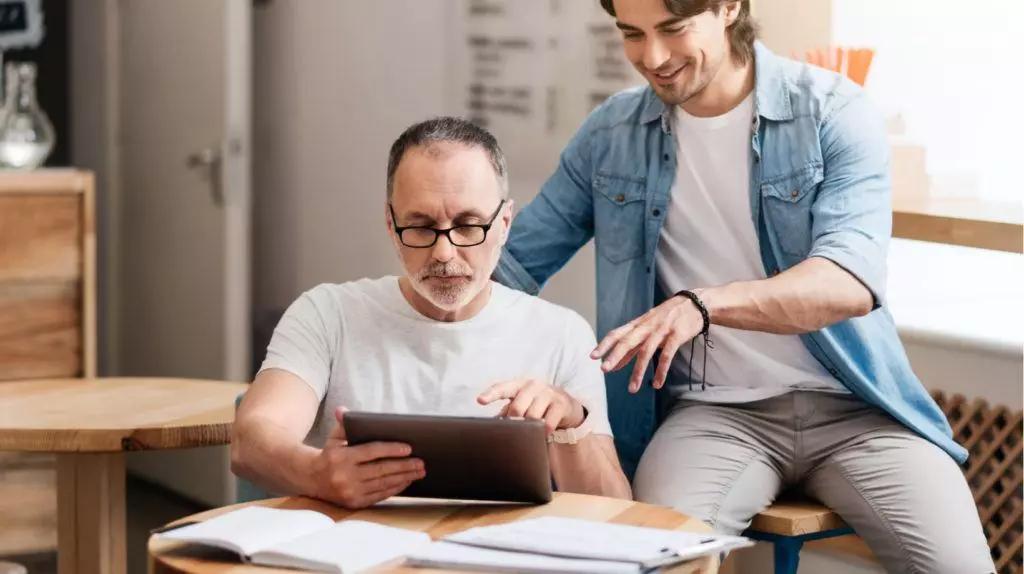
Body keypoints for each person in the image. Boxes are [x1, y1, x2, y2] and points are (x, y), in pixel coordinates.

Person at [492, 0, 993, 571]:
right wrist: (413, 300)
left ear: (729, 6)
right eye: (632, 34)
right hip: (712, 416)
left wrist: (702, 305)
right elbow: (512, 266)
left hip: (859, 411)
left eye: (673, 30)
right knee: (650, 561)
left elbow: (848, 280)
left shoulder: (832, 111)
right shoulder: (611, 135)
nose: (652, 58)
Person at [231, 117, 631, 510]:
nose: (444, 253)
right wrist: (317, 473)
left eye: (468, 225)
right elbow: (252, 441)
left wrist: (570, 423)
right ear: (391, 224)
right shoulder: (327, 314)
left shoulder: (561, 334)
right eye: (421, 227)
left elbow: (615, 513)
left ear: (505, 224)